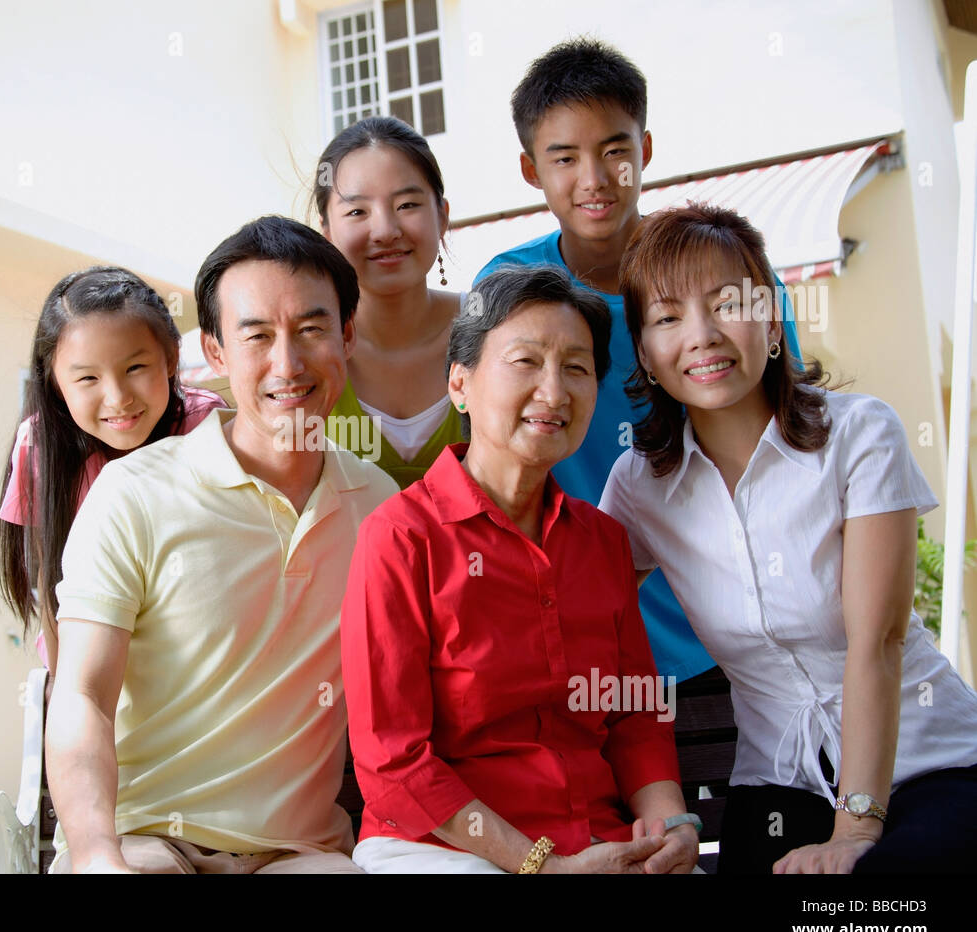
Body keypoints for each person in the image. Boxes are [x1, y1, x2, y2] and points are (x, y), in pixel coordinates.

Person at [599, 203, 977, 873]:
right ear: (648, 354)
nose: (702, 336)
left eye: (726, 304)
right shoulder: (640, 486)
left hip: (930, 760)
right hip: (778, 780)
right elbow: (588, 623)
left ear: (772, 319)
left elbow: (879, 640)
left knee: (881, 890)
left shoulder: (859, 435)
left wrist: (856, 829)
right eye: (667, 318)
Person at [46, 217, 398, 874]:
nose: (286, 364)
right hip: (146, 842)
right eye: (257, 335)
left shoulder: (381, 510)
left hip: (300, 854)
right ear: (214, 351)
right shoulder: (133, 493)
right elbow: (82, 696)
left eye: (312, 330)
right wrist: (97, 854)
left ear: (348, 336)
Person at [341, 264, 698, 874]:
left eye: (577, 368)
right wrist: (544, 866)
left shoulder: (603, 541)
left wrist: (671, 827)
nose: (554, 393)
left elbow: (634, 713)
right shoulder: (400, 538)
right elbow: (394, 763)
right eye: (526, 363)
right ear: (460, 383)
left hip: (600, 844)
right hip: (440, 849)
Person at [473, 38, 804, 684]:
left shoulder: (726, 273)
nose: (594, 180)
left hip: (740, 633)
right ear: (530, 169)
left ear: (645, 151)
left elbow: (789, 440)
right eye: (564, 158)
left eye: (615, 151)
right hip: (585, 640)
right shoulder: (506, 290)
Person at [0, 266, 224, 675]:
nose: (118, 398)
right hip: (86, 661)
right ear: (54, 383)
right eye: (87, 378)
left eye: (135, 368)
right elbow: (53, 582)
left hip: (188, 661)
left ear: (170, 358)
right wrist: (64, 687)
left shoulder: (204, 425)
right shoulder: (40, 445)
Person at [315, 116, 464, 488]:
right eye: (357, 212)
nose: (385, 231)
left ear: (441, 215)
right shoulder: (306, 353)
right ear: (327, 233)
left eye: (407, 204)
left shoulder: (494, 328)